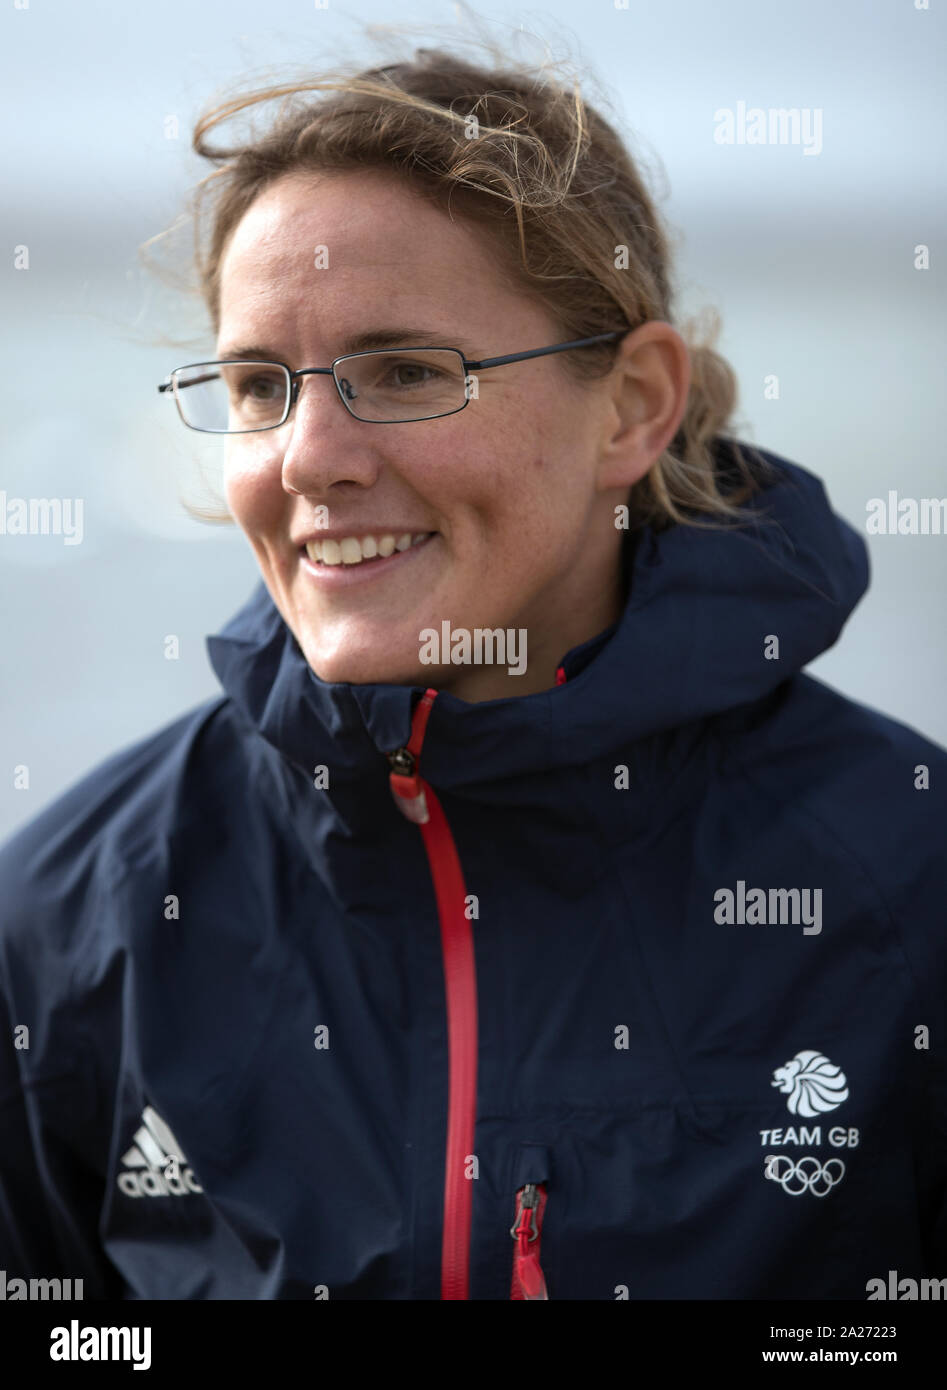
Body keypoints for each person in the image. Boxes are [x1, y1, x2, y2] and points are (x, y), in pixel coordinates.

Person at [1, 45, 945, 1302]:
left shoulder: (908, 886)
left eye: (403, 371)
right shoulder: (70, 921)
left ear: (630, 406)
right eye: (257, 386)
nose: (308, 458)